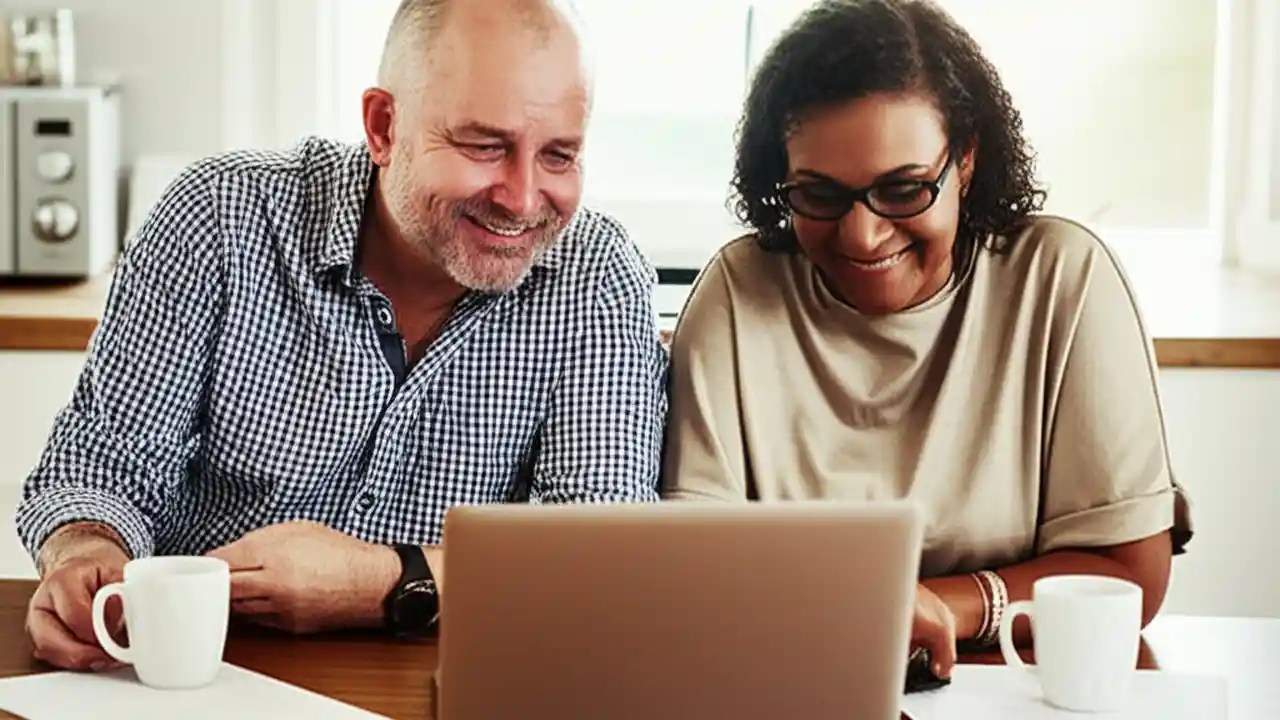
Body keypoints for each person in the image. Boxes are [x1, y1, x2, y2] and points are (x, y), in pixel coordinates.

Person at [19, 0, 667, 671]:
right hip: (194, 676)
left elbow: (600, 559)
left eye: (559, 155)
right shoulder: (218, 216)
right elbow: (99, 469)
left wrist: (386, 583)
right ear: (383, 127)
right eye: (485, 146)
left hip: (446, 683)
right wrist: (84, 552)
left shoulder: (597, 275)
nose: (523, 197)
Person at [661, 0, 1191, 679]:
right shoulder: (738, 293)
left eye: (904, 190)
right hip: (800, 676)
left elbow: (1128, 575)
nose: (863, 235)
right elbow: (694, 566)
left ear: (964, 161)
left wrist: (939, 607)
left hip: (1015, 682)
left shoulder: (1062, 279)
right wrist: (884, 610)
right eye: (818, 195)